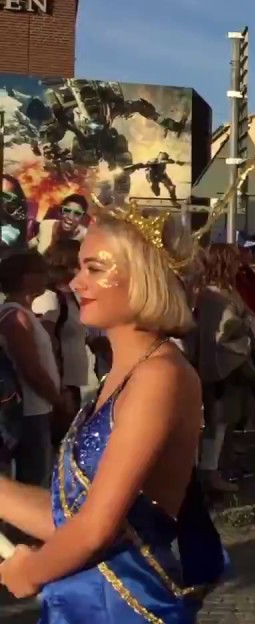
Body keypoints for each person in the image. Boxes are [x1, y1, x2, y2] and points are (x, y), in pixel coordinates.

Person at [0, 202, 226, 620]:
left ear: (141, 276)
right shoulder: (124, 375)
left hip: (122, 609)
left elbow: (94, 530)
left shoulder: (158, 376)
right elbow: (70, 518)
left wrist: (31, 571)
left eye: (94, 269)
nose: (75, 281)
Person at [194, 244, 255, 494]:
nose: (239, 266)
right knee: (217, 422)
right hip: (222, 366)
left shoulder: (225, 291)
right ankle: (210, 474)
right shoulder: (213, 295)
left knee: (225, 422)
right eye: (234, 261)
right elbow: (219, 335)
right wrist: (245, 337)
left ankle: (218, 469)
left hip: (231, 364)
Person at [0, 251, 68, 486]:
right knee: (34, 481)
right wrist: (57, 400)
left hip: (37, 407)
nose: (46, 277)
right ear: (26, 278)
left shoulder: (23, 314)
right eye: (40, 272)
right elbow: (31, 369)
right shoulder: (15, 316)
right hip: (28, 411)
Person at [33, 239, 98, 440]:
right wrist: (59, 389)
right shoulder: (49, 298)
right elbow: (44, 343)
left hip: (77, 384)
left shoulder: (70, 297)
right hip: (63, 386)